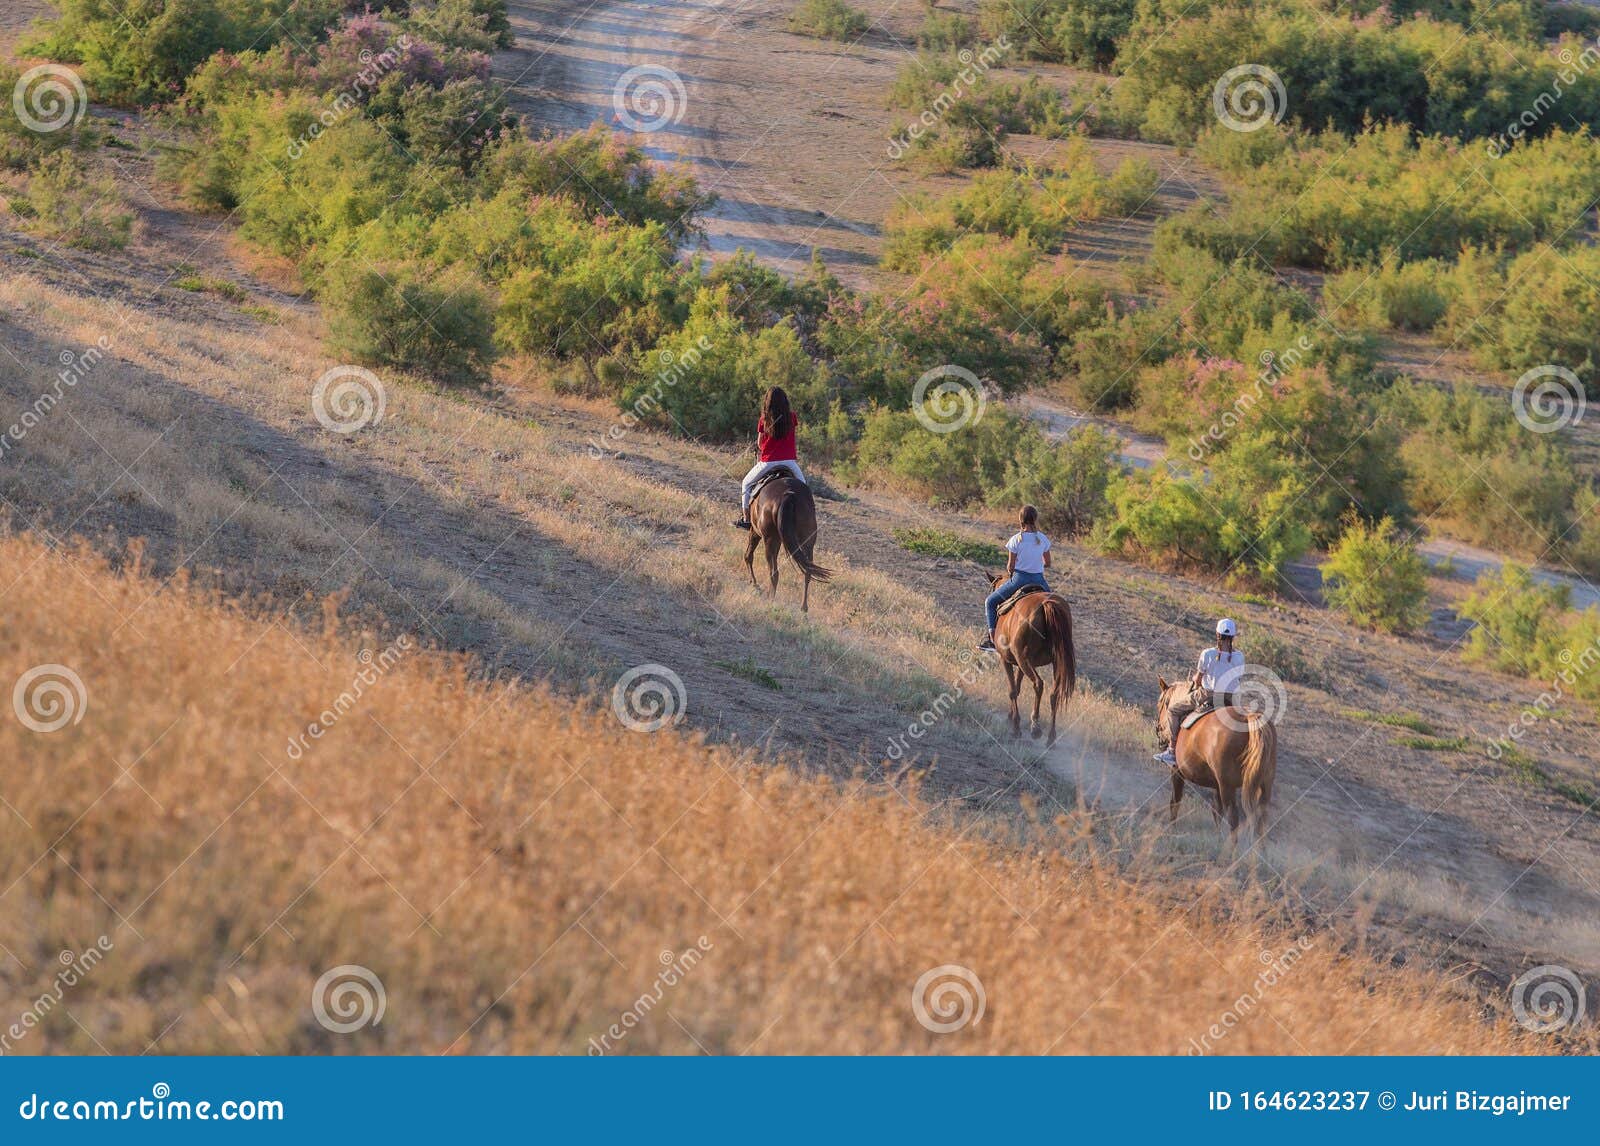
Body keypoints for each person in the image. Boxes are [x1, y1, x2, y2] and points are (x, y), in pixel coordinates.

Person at [1154, 618, 1244, 765]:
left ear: (1217, 634)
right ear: (1233, 637)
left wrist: (1197, 678)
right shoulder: (1240, 656)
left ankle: (1171, 750)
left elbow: (1198, 680)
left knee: (1173, 710)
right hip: (1232, 699)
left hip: (1208, 695)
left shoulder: (1207, 654)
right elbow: (1238, 678)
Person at [976, 506, 1052, 652]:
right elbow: (1048, 563)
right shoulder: (1043, 539)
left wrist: (1016, 568)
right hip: (1039, 580)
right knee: (1053, 607)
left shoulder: (1015, 540)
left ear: (1020, 520)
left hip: (1019, 580)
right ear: (1035, 519)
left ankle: (992, 641)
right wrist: (1036, 564)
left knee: (990, 602)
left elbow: (1010, 567)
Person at [733, 386, 805, 530]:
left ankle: (746, 519)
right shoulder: (792, 417)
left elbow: (760, 443)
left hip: (768, 462)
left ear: (768, 402)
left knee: (746, 484)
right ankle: (804, 519)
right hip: (789, 462)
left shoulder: (764, 419)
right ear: (785, 401)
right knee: (804, 488)